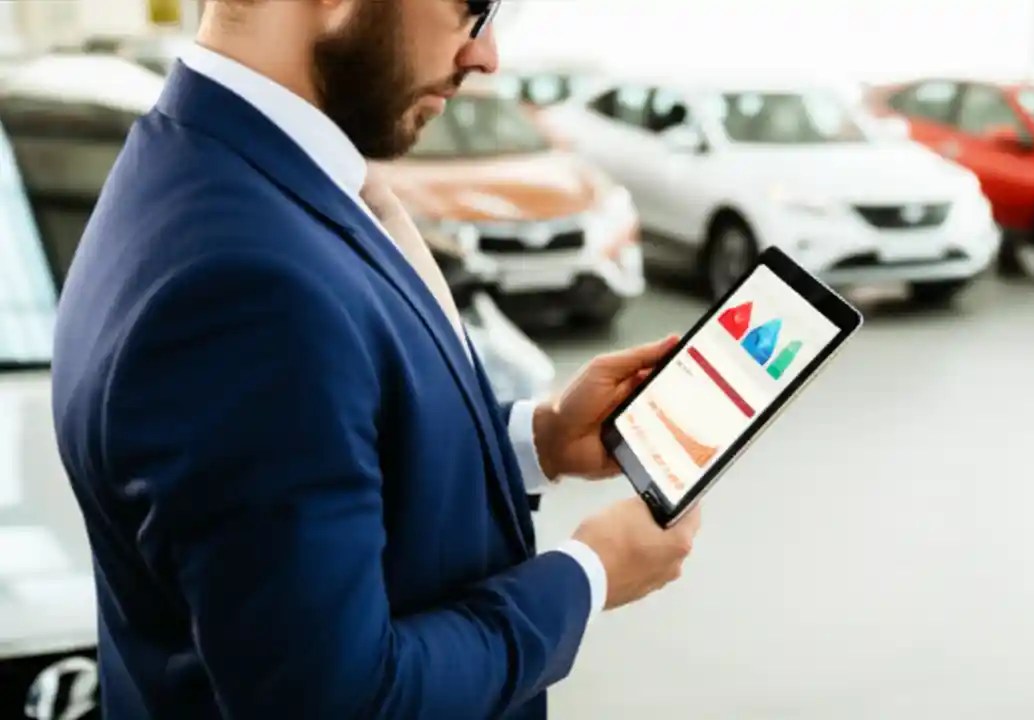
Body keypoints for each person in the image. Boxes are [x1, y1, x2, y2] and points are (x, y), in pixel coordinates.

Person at [50, 1, 702, 717]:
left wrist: (538, 439)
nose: (485, 56)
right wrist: (589, 575)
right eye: (472, 9)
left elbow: (323, 439)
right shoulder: (244, 282)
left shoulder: (214, 161)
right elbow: (348, 702)